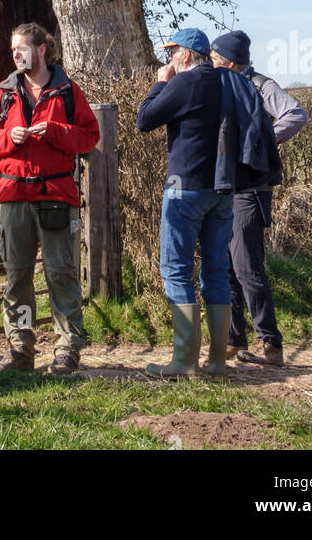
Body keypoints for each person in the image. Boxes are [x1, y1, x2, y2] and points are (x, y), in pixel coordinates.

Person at [0, 22, 101, 376]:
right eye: (13, 49)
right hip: (13, 193)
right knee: (17, 275)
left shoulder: (67, 91)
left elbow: (90, 136)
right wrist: (8, 138)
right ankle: (20, 348)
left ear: (42, 49)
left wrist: (58, 132)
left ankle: (68, 347)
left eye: (22, 48)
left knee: (61, 272)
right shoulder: (3, 92)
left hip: (56, 194)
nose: (16, 54)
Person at [136, 28, 234, 379]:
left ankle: (184, 361)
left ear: (187, 56)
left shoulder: (185, 82)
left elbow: (144, 119)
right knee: (217, 272)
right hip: (224, 189)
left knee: (176, 269)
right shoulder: (228, 82)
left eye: (172, 53)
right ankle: (218, 363)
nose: (169, 60)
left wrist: (161, 83)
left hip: (185, 188)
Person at [210, 30, 309, 367]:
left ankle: (271, 344)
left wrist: (261, 143)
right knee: (225, 268)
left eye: (214, 59)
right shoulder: (222, 85)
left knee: (247, 267)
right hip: (224, 188)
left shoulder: (260, 85)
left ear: (231, 63)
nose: (210, 63)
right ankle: (235, 341)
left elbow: (296, 115)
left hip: (251, 190)